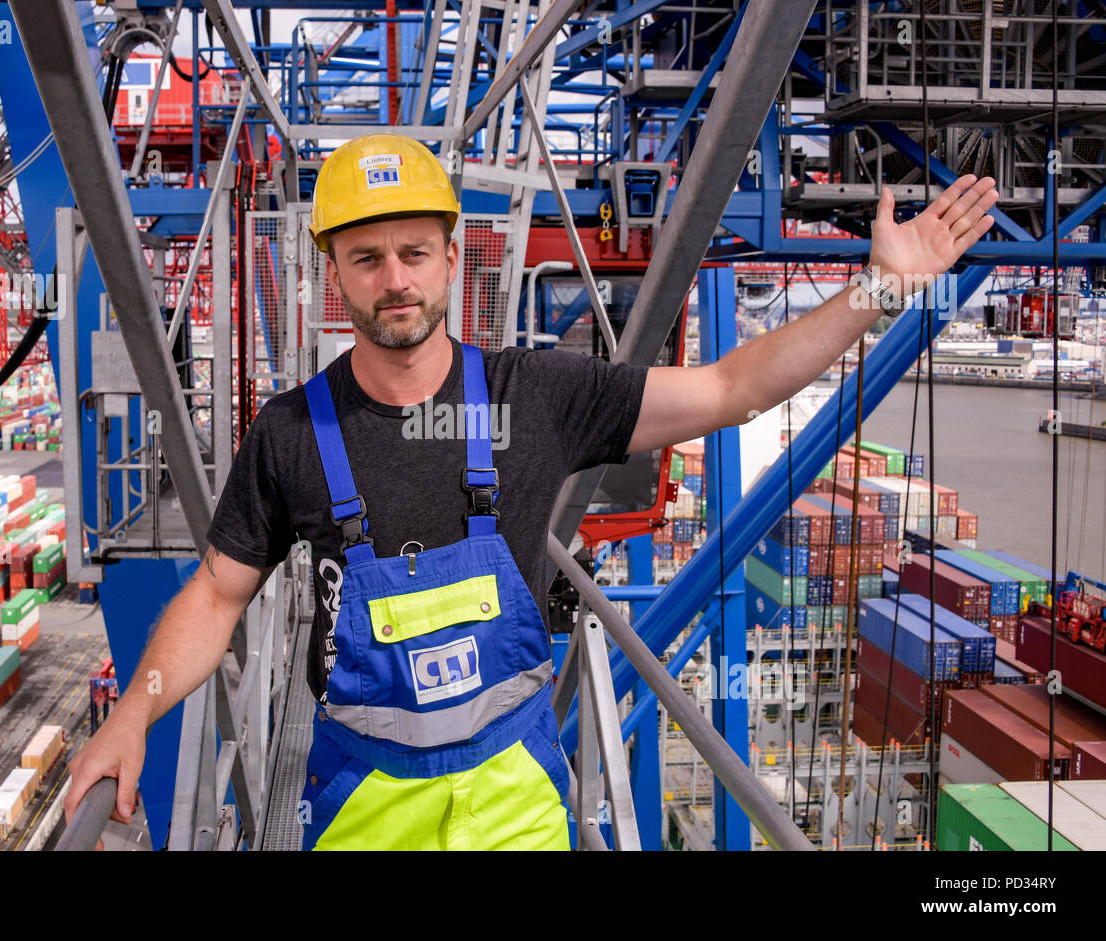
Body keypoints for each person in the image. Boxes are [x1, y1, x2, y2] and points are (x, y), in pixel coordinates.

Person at [64, 133, 999, 850]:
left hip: (517, 799)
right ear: (332, 272)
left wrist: (881, 291)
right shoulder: (292, 433)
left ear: (452, 258)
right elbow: (220, 593)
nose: (395, 280)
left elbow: (730, 388)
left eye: (414, 254)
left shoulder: (540, 397)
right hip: (362, 805)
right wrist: (136, 708)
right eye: (367, 257)